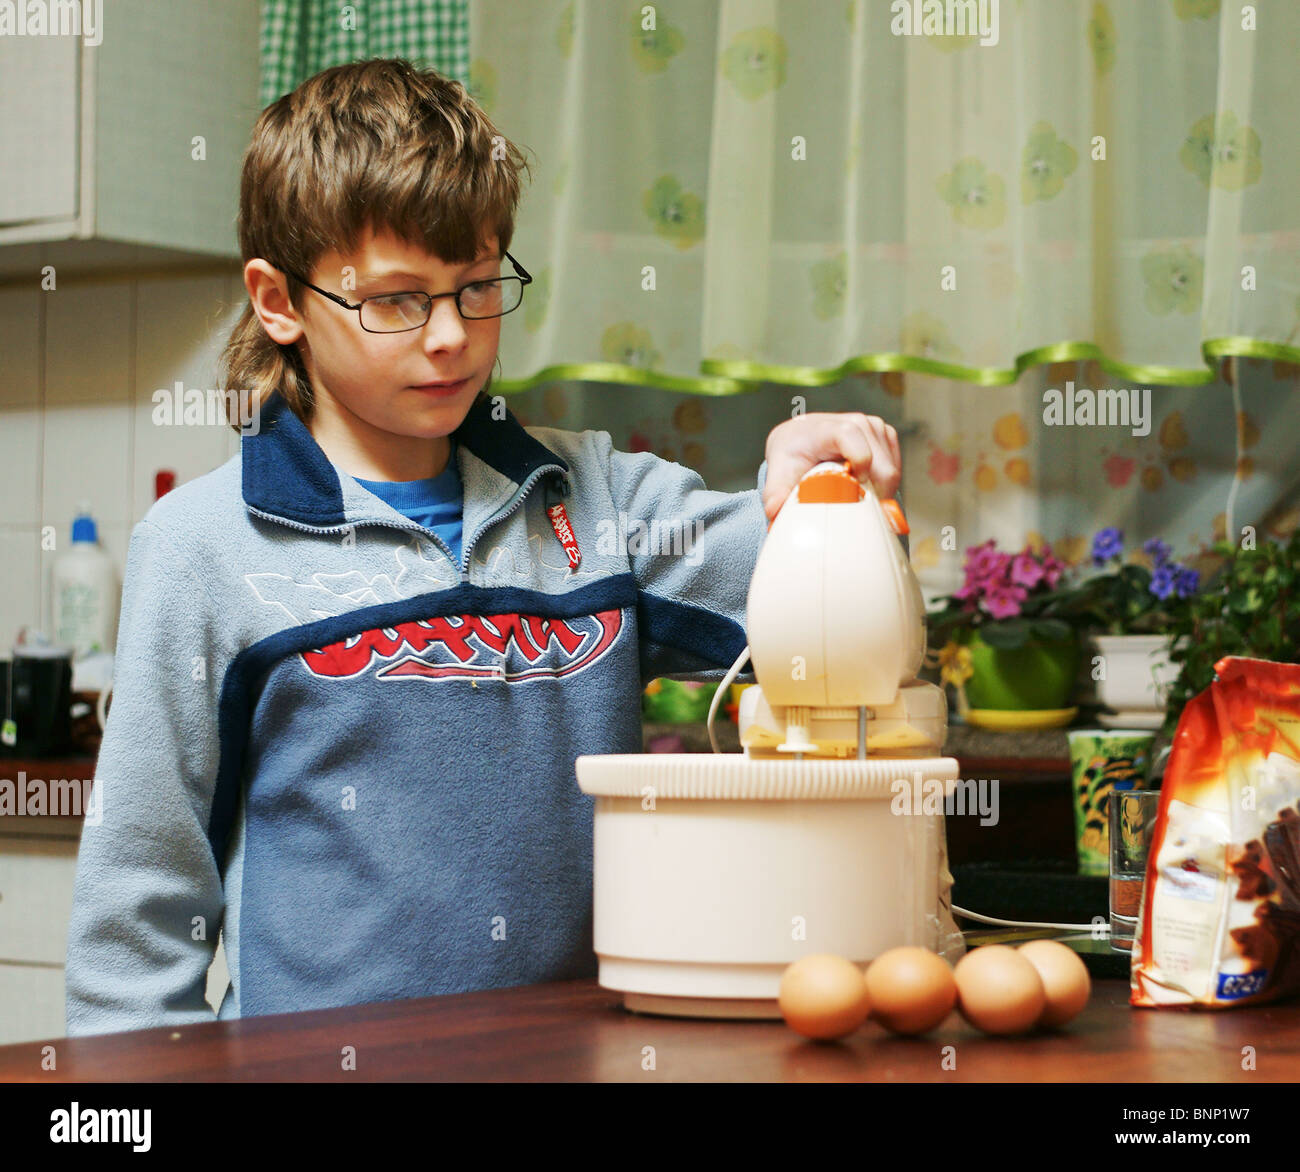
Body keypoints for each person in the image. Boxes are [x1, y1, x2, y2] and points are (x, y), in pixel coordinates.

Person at [64, 58, 901, 1036]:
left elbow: (813, 592)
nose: (451, 337)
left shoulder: (599, 500)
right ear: (279, 300)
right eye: (395, 300)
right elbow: (139, 907)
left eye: (475, 287)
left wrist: (805, 489)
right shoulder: (203, 546)